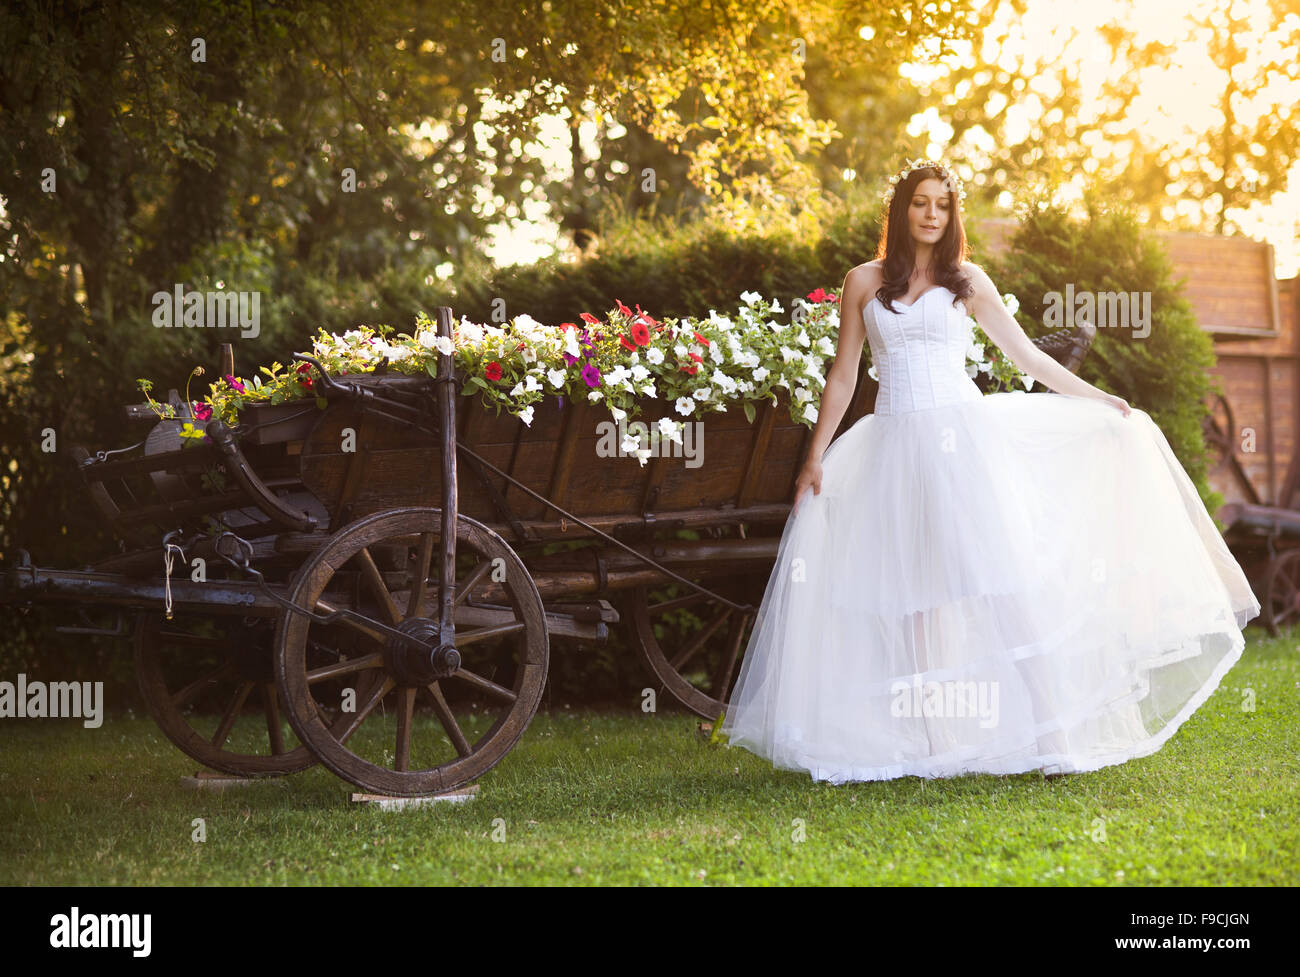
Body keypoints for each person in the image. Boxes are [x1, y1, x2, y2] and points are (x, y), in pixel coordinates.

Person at [717, 158, 1261, 783]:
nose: (930, 214)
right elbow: (844, 373)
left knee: (1000, 579)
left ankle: (1054, 733)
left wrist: (1095, 398)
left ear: (953, 216)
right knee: (912, 596)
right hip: (891, 447)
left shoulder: (967, 280)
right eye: (921, 202)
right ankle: (932, 739)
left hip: (962, 442)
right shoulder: (864, 281)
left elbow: (1025, 355)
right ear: (901, 210)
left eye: (942, 205)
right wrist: (815, 455)